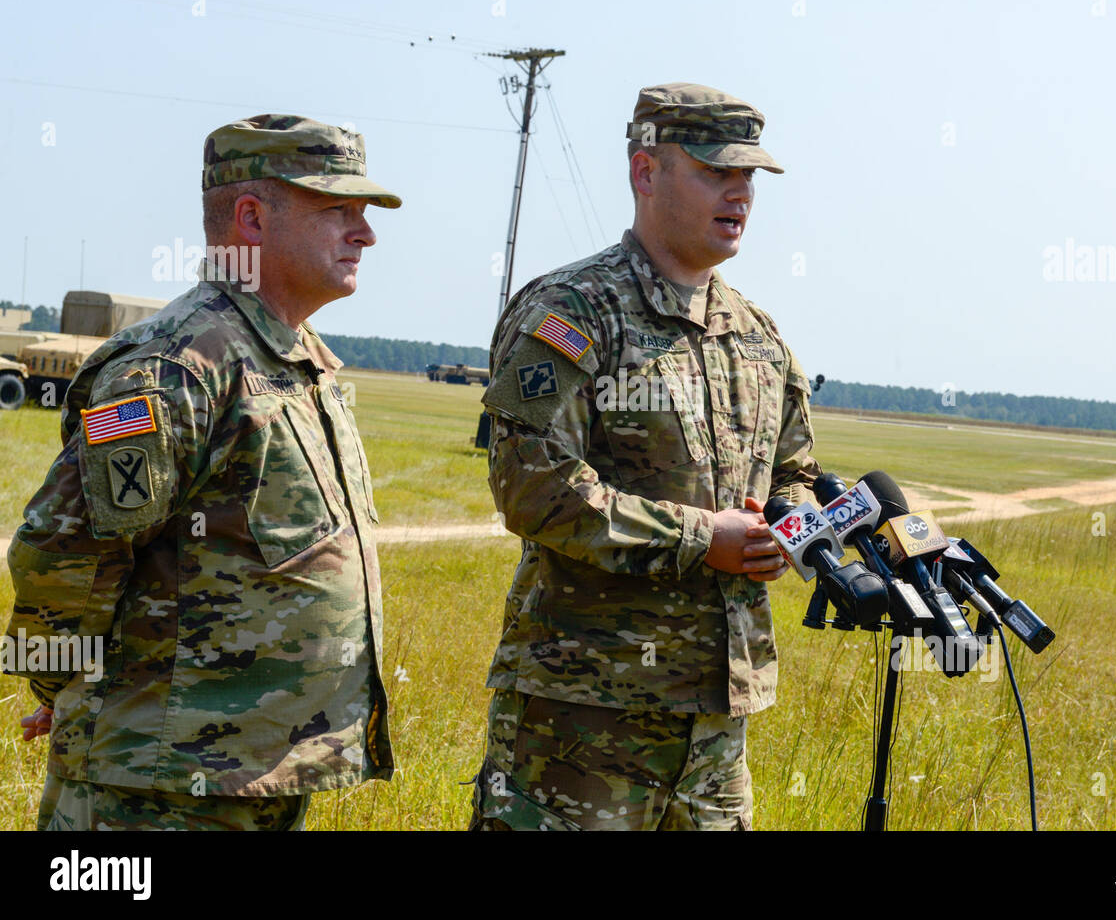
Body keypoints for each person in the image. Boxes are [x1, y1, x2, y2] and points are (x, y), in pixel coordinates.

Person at [4, 114, 400, 830]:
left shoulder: (292, 358)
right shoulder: (178, 364)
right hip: (155, 787)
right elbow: (60, 553)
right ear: (250, 218)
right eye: (337, 210)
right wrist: (61, 682)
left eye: (365, 214)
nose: (364, 233)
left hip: (253, 775)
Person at [470, 83, 821, 830]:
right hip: (585, 718)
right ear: (645, 172)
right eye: (713, 171)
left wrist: (793, 527)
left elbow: (794, 474)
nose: (739, 193)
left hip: (718, 726)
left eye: (749, 177)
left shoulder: (758, 334)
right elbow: (534, 488)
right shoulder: (570, 311)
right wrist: (705, 541)